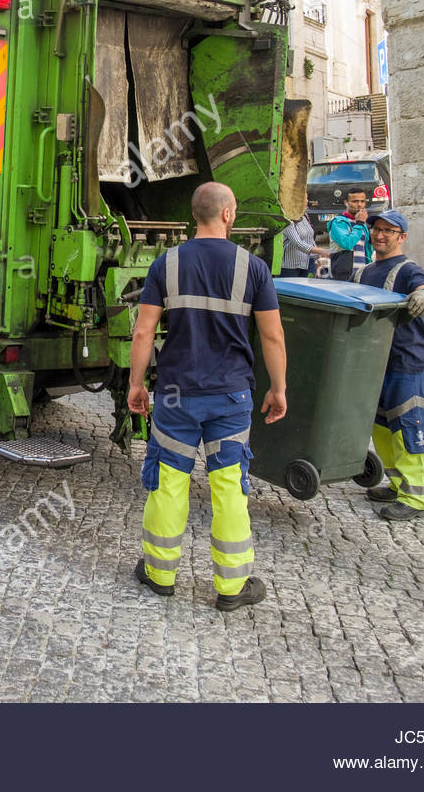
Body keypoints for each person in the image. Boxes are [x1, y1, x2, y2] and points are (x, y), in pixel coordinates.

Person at [128, 182, 288, 611]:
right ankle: (232, 588)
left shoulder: (167, 264)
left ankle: (160, 574)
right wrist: (278, 388)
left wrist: (136, 384)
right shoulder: (252, 268)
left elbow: (144, 331)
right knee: (229, 487)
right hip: (231, 395)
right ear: (228, 214)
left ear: (193, 217)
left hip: (177, 393)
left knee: (168, 482)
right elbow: (271, 334)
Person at [354, 210, 424, 521]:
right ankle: (396, 483)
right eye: (377, 229)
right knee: (381, 425)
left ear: (402, 237)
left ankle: (416, 497)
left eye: (389, 231)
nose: (380, 235)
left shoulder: (409, 270)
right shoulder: (364, 272)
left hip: (406, 360)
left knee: (409, 424)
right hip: (375, 362)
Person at [328, 187, 373, 280]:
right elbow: (347, 244)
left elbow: (367, 250)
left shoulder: (362, 224)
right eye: (355, 201)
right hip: (343, 275)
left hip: (361, 274)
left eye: (362, 201)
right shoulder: (339, 222)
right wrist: (359, 223)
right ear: (346, 202)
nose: (359, 205)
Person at [279, 200, 330, 277]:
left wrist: (318, 257)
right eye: (303, 197)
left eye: (307, 198)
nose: (307, 201)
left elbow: (310, 239)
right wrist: (322, 251)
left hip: (307, 264)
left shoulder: (304, 216)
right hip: (290, 267)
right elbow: (297, 243)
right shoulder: (286, 218)